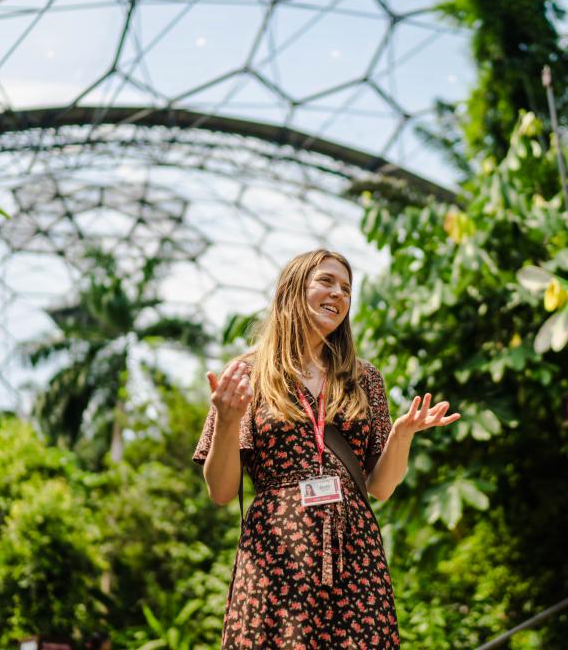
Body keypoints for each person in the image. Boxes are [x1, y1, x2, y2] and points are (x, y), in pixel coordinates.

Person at [193, 249, 460, 648]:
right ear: (293, 290)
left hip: (355, 555)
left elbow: (380, 487)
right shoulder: (248, 374)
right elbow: (220, 491)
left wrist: (402, 435)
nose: (339, 293)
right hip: (276, 554)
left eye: (347, 288)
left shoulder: (364, 378)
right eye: (326, 281)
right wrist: (228, 420)